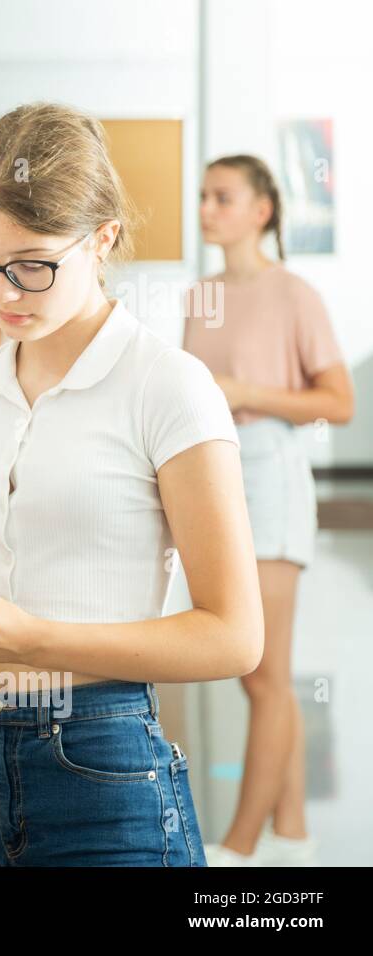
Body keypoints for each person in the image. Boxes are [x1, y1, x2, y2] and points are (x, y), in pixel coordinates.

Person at [0, 102, 265, 866]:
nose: (4, 292)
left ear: (102, 238)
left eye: (34, 264)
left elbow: (234, 635)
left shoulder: (167, 387)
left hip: (99, 761)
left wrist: (35, 639)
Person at [183, 154, 354, 866]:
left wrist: (245, 389)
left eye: (222, 196)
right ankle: (294, 831)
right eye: (202, 196)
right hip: (220, 476)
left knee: (264, 671)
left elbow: (337, 403)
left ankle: (242, 846)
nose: (207, 208)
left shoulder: (295, 293)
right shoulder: (201, 296)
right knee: (258, 674)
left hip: (273, 478)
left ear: (262, 210)